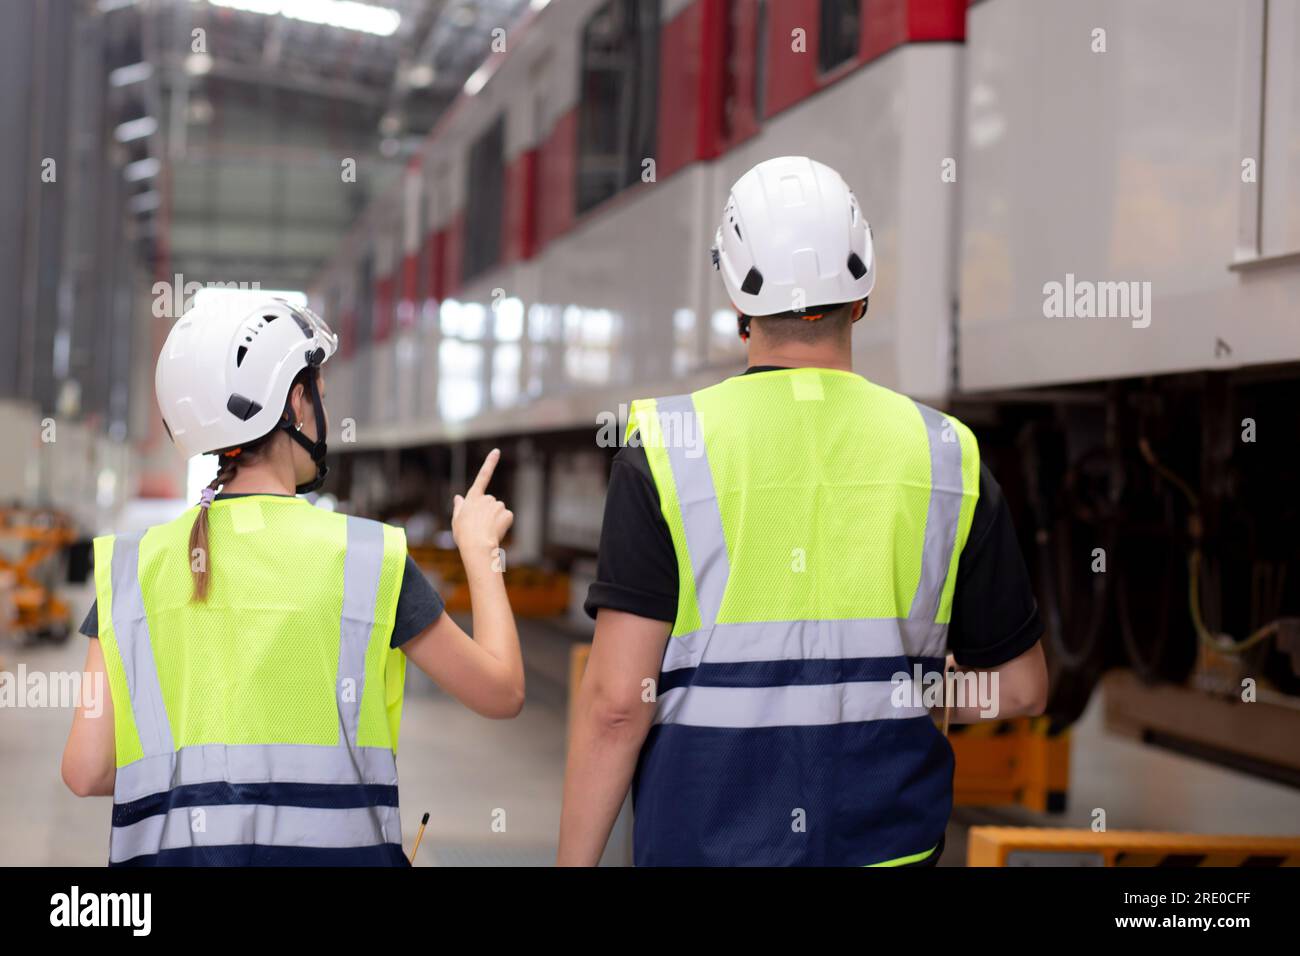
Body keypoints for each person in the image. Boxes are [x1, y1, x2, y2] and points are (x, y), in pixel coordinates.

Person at [559, 156, 1048, 867]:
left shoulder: (668, 448)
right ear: (863, 292)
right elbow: (1022, 688)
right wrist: (911, 690)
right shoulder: (948, 454)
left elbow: (614, 706)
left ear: (736, 296)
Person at [61, 297, 523, 866]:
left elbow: (85, 771)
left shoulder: (130, 570)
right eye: (320, 396)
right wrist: (481, 556)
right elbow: (503, 693)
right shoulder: (367, 559)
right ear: (296, 404)